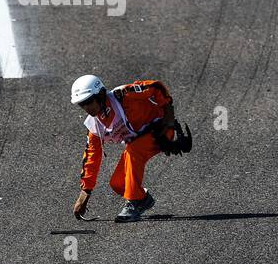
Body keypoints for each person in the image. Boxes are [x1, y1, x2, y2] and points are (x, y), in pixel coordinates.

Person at [71, 74, 190, 223]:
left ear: (101, 94)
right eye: (82, 104)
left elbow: (156, 87)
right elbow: (92, 157)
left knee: (133, 149)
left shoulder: (123, 95)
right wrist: (85, 192)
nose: (87, 108)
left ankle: (133, 202)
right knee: (118, 183)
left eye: (89, 101)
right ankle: (142, 199)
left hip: (161, 130)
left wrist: (169, 116)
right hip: (138, 142)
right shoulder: (94, 126)